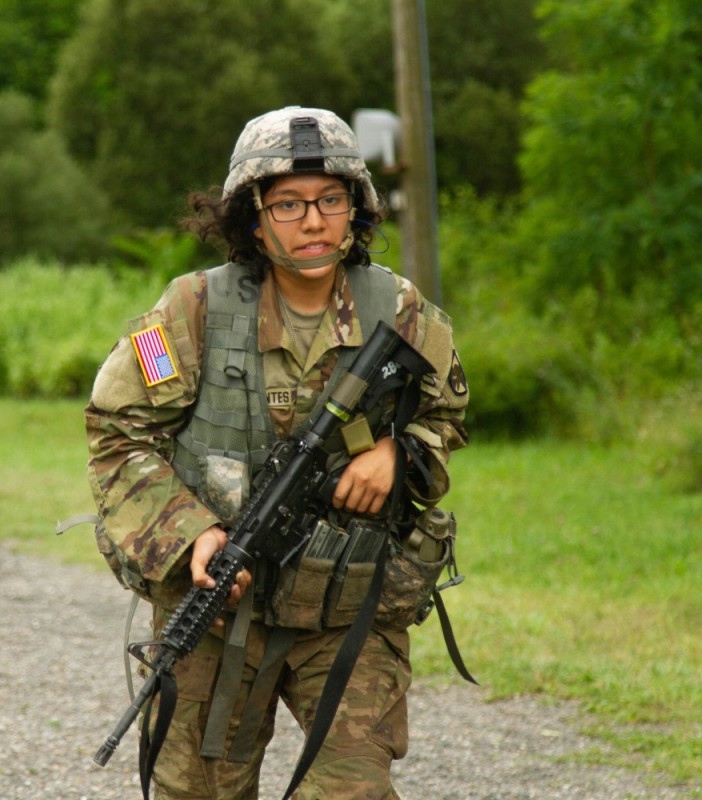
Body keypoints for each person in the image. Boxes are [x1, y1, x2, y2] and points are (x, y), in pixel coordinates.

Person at [85, 107, 469, 799]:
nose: (314, 221)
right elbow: (118, 434)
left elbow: (445, 415)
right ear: (251, 218)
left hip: (346, 606)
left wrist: (401, 455)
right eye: (288, 204)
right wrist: (190, 536)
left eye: (330, 199)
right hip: (218, 605)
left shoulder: (399, 308)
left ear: (357, 209)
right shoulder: (192, 309)